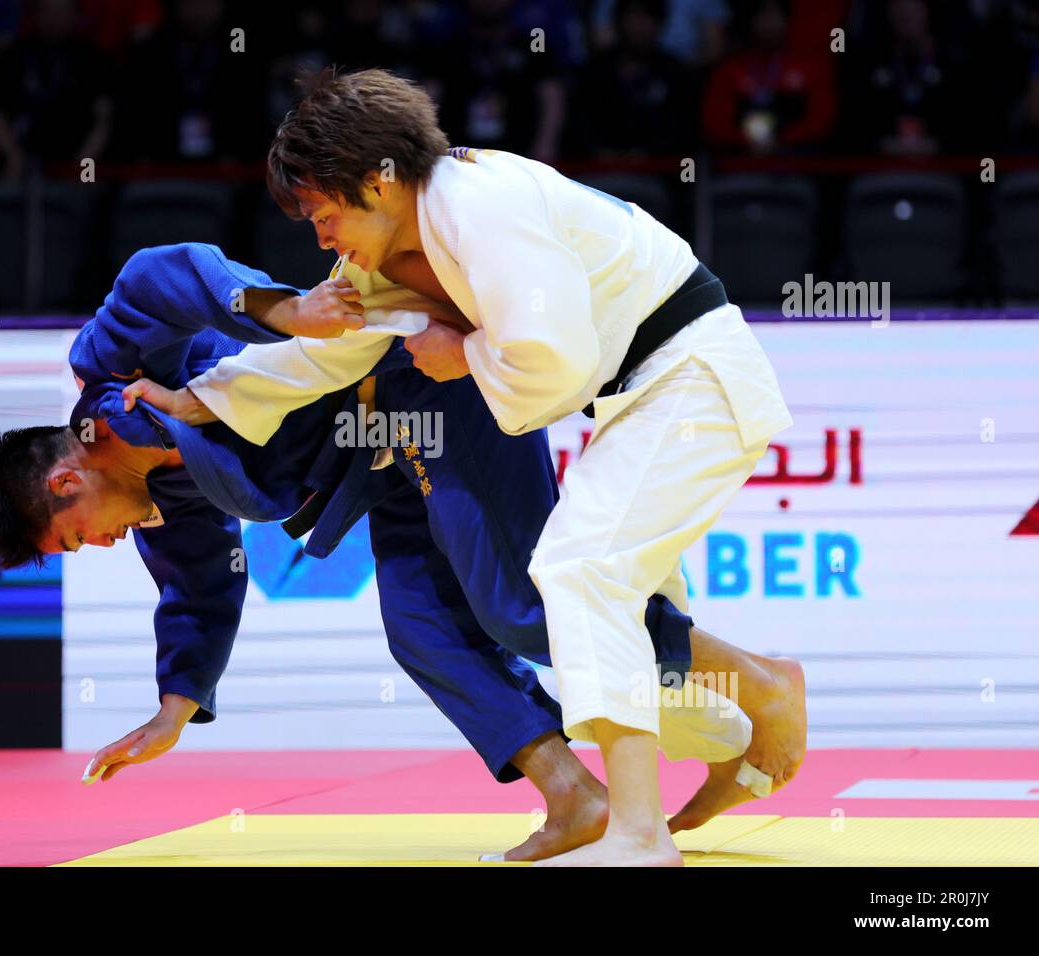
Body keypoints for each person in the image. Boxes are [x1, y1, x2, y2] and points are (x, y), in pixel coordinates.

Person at [0, 242, 800, 860]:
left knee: (520, 608)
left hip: (426, 383)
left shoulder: (108, 372)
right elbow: (197, 588)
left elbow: (165, 272)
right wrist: (172, 709)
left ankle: (760, 685)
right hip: (381, 462)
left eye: (77, 536)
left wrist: (280, 310)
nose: (102, 543)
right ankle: (575, 799)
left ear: (68, 482)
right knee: (422, 631)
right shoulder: (161, 502)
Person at [162, 69, 800, 865]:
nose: (320, 237)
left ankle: (645, 825)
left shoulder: (478, 203)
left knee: (576, 572)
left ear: (379, 178)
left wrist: (461, 354)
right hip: (640, 401)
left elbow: (555, 359)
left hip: (692, 379)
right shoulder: (392, 249)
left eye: (325, 213)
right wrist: (202, 398)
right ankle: (752, 704)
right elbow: (322, 353)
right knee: (592, 597)